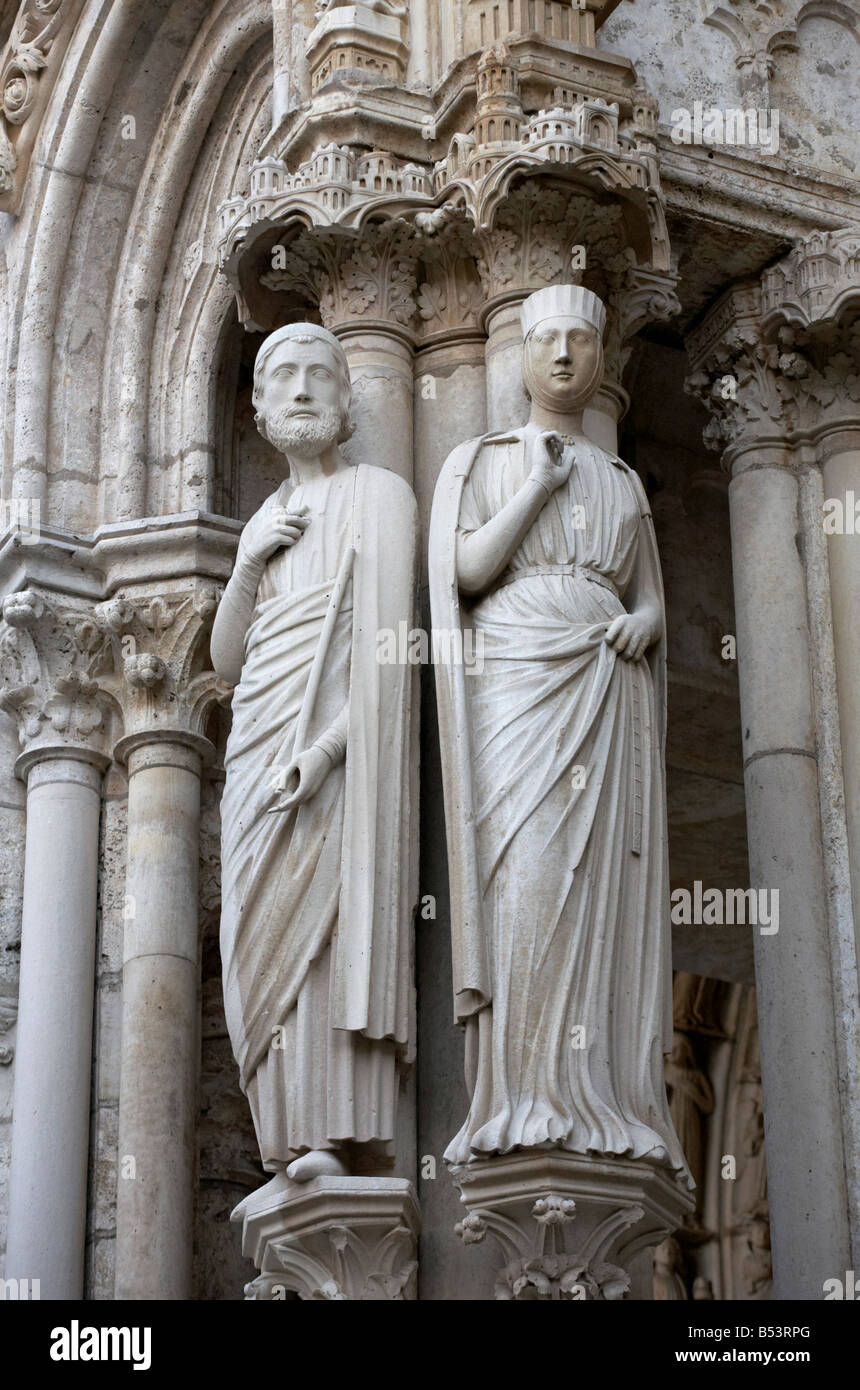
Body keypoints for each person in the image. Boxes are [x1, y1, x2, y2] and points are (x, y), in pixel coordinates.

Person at [429, 285, 690, 1181]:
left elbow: (651, 595)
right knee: (529, 875)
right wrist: (537, 484)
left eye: (585, 339)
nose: (568, 356)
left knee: (599, 894)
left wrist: (645, 624)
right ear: (525, 354)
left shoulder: (622, 482)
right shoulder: (483, 459)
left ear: (601, 358)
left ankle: (598, 1094)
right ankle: (518, 1094)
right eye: (551, 341)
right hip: (517, 677)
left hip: (606, 685)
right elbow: (464, 569)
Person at [212, 322, 417, 1195]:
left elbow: (392, 655)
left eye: (319, 375)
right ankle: (285, 1136)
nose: (301, 389)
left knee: (326, 930)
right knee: (251, 936)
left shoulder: (379, 496)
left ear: (347, 400)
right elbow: (226, 663)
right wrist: (249, 563)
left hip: (333, 763)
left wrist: (332, 751)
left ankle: (337, 1131)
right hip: (259, 750)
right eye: (282, 376)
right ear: (257, 408)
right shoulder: (263, 520)